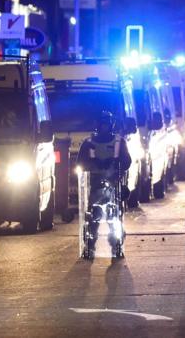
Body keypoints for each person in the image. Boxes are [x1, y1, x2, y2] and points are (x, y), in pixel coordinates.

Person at [77, 111, 132, 259]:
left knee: (114, 218)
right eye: (102, 124)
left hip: (113, 185)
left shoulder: (119, 142)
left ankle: (117, 246)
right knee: (93, 219)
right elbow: (80, 164)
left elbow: (127, 162)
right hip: (94, 186)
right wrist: (93, 163)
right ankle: (89, 247)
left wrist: (115, 164)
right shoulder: (88, 143)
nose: (104, 127)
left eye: (107, 124)